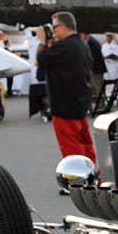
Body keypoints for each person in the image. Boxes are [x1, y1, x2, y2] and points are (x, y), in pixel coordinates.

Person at [35, 11, 95, 175]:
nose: (53, 31)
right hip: (80, 103)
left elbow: (39, 60)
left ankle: (77, 180)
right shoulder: (82, 45)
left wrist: (42, 41)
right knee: (85, 144)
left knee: (71, 147)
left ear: (62, 26)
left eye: (54, 27)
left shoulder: (64, 46)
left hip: (64, 105)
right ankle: (93, 175)